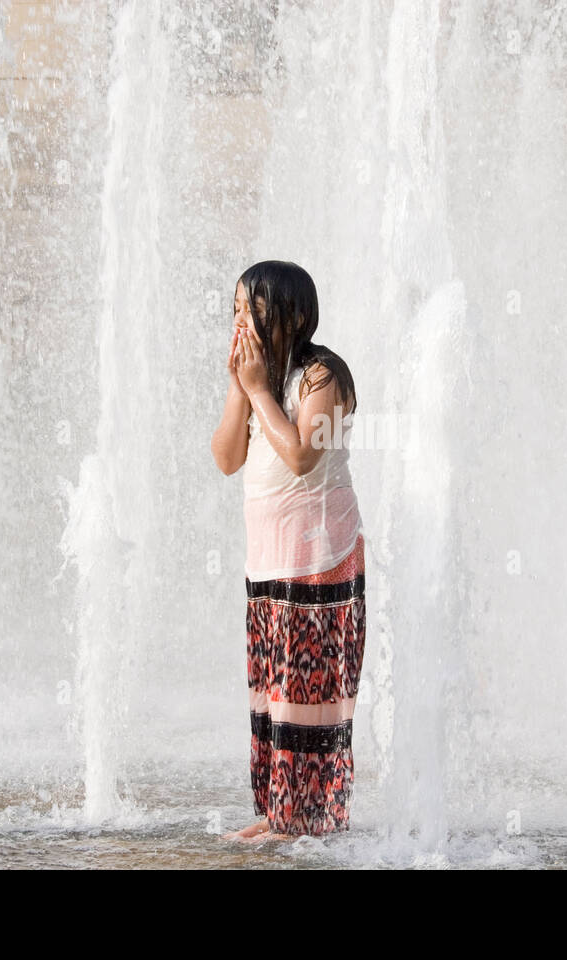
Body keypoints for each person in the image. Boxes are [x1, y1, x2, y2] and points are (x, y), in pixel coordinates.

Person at [211, 260, 365, 842]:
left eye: (252, 311)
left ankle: (311, 818)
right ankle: (281, 813)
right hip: (270, 566)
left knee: (311, 698)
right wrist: (240, 389)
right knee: (274, 694)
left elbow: (303, 457)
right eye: (234, 312)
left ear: (295, 316)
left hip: (321, 562)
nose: (241, 324)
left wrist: (255, 390)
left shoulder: (322, 376)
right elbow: (227, 459)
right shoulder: (262, 382)